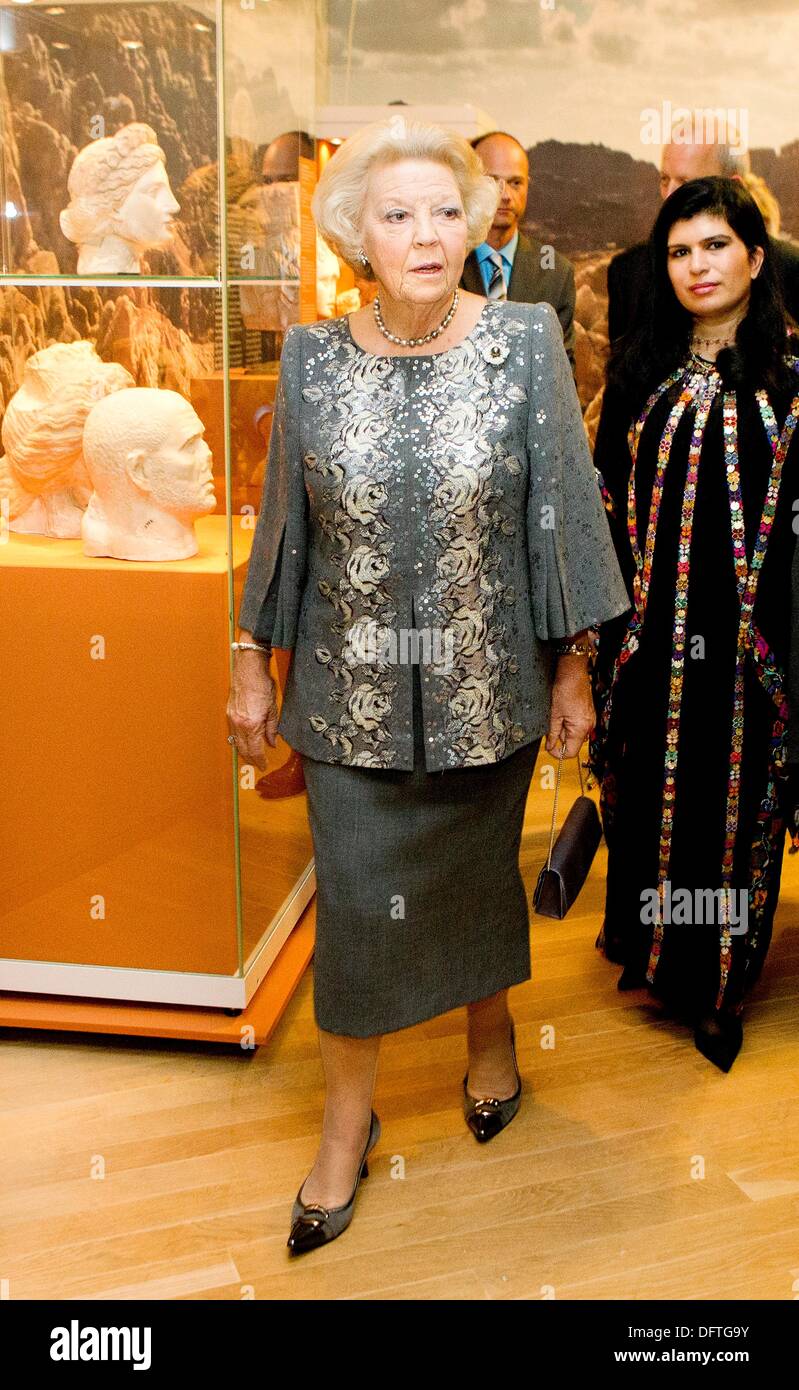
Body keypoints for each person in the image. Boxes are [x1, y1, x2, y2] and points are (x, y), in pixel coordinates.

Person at [227, 116, 629, 1254]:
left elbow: (561, 510)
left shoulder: (526, 340)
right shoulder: (312, 355)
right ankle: (346, 1127)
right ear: (356, 231)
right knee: (358, 914)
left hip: (490, 689)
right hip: (347, 710)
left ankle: (490, 1042)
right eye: (396, 214)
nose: (425, 233)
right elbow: (285, 526)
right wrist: (250, 658)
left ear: (480, 221)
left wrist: (573, 665)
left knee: (474, 887)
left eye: (446, 210)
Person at [591, 177, 799, 1072]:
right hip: (646, 644)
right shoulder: (637, 376)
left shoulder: (791, 379)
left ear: (755, 257)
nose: (696, 265)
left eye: (715, 246)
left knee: (728, 813)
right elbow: (602, 504)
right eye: (679, 251)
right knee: (643, 800)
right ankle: (649, 952)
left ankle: (717, 988)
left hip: (752, 654)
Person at [608, 116, 799, 345]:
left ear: (733, 186)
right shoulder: (628, 273)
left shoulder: (790, 268)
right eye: (664, 179)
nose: (669, 195)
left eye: (686, 183)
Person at [460, 131, 577, 370]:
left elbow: (562, 373)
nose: (505, 195)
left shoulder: (556, 272)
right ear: (470, 184)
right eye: (493, 181)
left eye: (516, 183)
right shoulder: (444, 264)